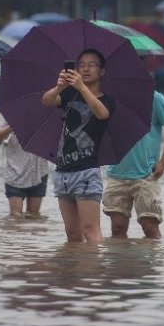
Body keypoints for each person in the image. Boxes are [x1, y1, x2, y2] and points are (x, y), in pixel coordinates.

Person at [41, 49, 115, 243]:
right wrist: (59, 87)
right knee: (72, 235)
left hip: (86, 172)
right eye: (81, 65)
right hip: (63, 172)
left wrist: (82, 88)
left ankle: (94, 272)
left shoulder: (106, 100)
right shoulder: (69, 95)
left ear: (102, 71)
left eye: (92, 65)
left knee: (90, 231)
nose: (86, 68)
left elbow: (102, 114)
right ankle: (74, 270)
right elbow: (46, 100)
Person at [103, 90, 164, 239]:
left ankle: (152, 261)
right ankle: (120, 262)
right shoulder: (111, 98)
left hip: (146, 175)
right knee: (117, 229)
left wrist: (163, 163)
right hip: (117, 174)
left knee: (150, 227)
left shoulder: (154, 98)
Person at [0, 111, 49, 215]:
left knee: (34, 217)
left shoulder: (45, 106)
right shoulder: (8, 110)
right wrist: (12, 126)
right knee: (15, 218)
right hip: (16, 171)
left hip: (39, 170)